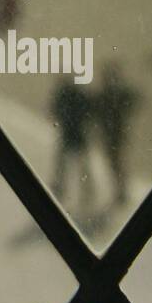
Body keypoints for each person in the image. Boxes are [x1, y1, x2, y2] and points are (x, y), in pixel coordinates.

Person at [94, 63, 140, 207]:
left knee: (117, 163)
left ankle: (122, 191)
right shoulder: (109, 96)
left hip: (115, 135)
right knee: (115, 163)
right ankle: (121, 190)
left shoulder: (114, 95)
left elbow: (134, 100)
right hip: (112, 135)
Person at [50, 77, 95, 210]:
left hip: (70, 133)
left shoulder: (66, 96)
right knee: (78, 164)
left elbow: (55, 110)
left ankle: (61, 187)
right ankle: (86, 189)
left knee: (67, 164)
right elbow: (89, 113)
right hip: (76, 133)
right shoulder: (78, 95)